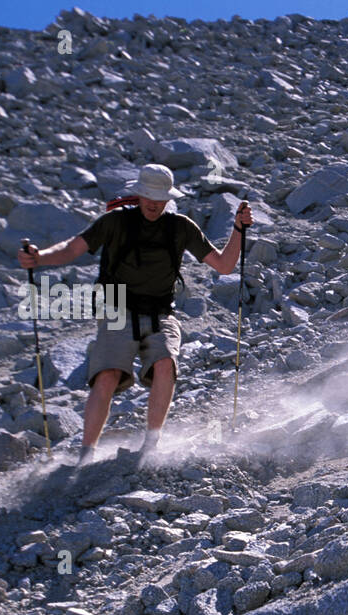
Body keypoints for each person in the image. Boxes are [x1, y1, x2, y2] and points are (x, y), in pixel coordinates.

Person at [17, 163, 252, 467]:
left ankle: (150, 447)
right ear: (138, 194)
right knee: (108, 375)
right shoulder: (114, 222)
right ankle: (86, 455)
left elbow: (224, 265)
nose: (153, 203)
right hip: (116, 305)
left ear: (168, 198)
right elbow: (72, 249)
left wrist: (237, 229)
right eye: (148, 196)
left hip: (161, 309)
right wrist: (39, 258)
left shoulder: (181, 227)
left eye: (159, 197)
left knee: (165, 364)